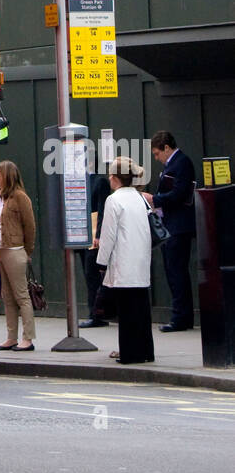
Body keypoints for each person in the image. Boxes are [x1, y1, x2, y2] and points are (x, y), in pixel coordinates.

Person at [96, 156, 154, 364]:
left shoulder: (114, 200)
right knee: (142, 310)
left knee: (127, 312)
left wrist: (101, 262)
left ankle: (130, 354)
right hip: (141, 260)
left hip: (123, 262)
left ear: (114, 178)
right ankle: (147, 351)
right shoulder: (139, 198)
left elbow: (108, 235)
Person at [145, 130, 196, 332]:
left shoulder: (181, 163)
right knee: (173, 271)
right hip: (171, 224)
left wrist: (155, 200)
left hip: (178, 225)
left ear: (167, 147)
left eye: (157, 153)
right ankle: (180, 315)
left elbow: (179, 193)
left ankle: (181, 317)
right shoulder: (173, 165)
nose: (157, 158)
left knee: (177, 272)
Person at [0, 160, 36, 351]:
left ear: (7, 175)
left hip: (14, 250)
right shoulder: (1, 197)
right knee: (7, 296)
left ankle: (28, 338)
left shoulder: (20, 197)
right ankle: (11, 337)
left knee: (21, 296)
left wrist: (27, 251)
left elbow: (30, 226)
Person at [80, 169, 113, 328]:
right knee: (89, 275)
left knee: (93, 274)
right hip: (82, 232)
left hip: (94, 233)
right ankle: (95, 311)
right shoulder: (80, 181)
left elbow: (102, 210)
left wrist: (99, 234)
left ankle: (97, 313)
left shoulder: (100, 181)